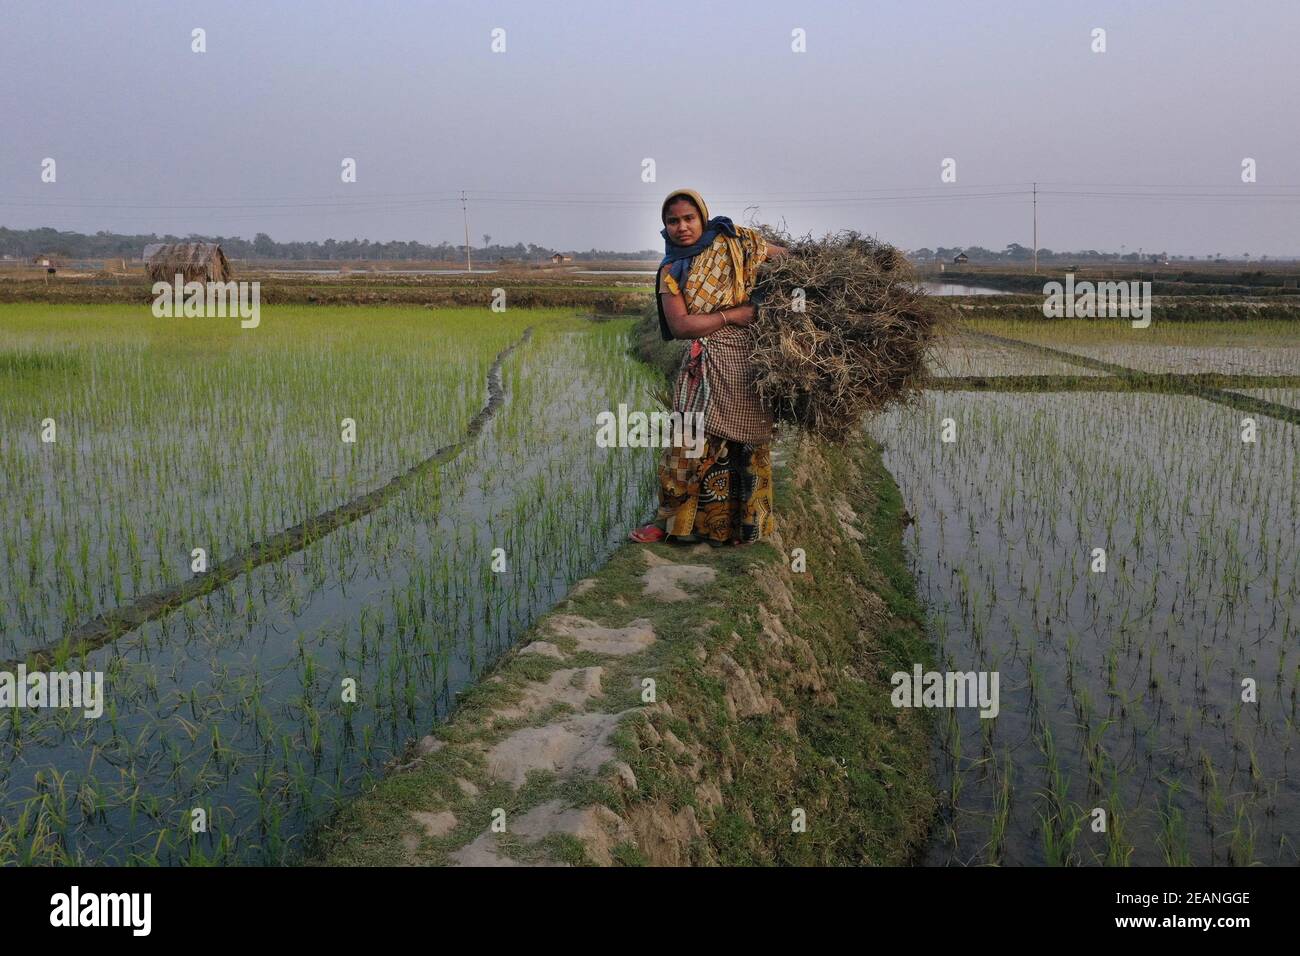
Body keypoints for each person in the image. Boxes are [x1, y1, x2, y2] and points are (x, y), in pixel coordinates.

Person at [629, 188, 788, 547]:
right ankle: (670, 522)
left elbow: (786, 259)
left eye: (688, 218)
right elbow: (682, 326)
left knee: (744, 445)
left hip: (747, 362)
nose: (682, 227)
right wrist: (735, 315)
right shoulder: (670, 270)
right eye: (673, 221)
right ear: (665, 226)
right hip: (704, 363)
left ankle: (738, 528)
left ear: (702, 217)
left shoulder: (737, 244)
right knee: (687, 444)